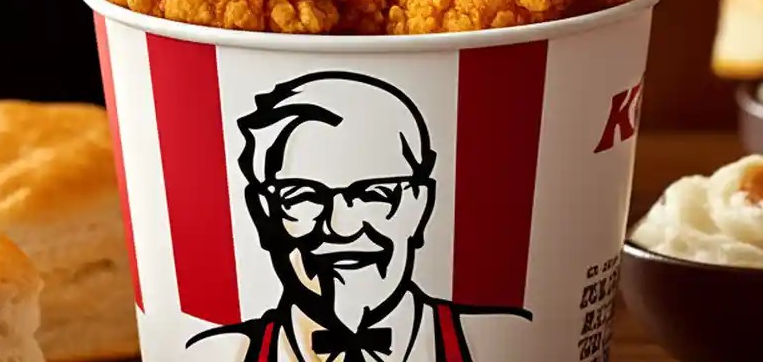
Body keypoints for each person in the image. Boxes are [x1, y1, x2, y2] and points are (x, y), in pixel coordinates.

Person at [187, 71, 529, 362]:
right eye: (304, 196)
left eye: (374, 194)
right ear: (264, 215)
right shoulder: (216, 353)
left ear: (419, 207)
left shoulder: (504, 340)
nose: (341, 226)